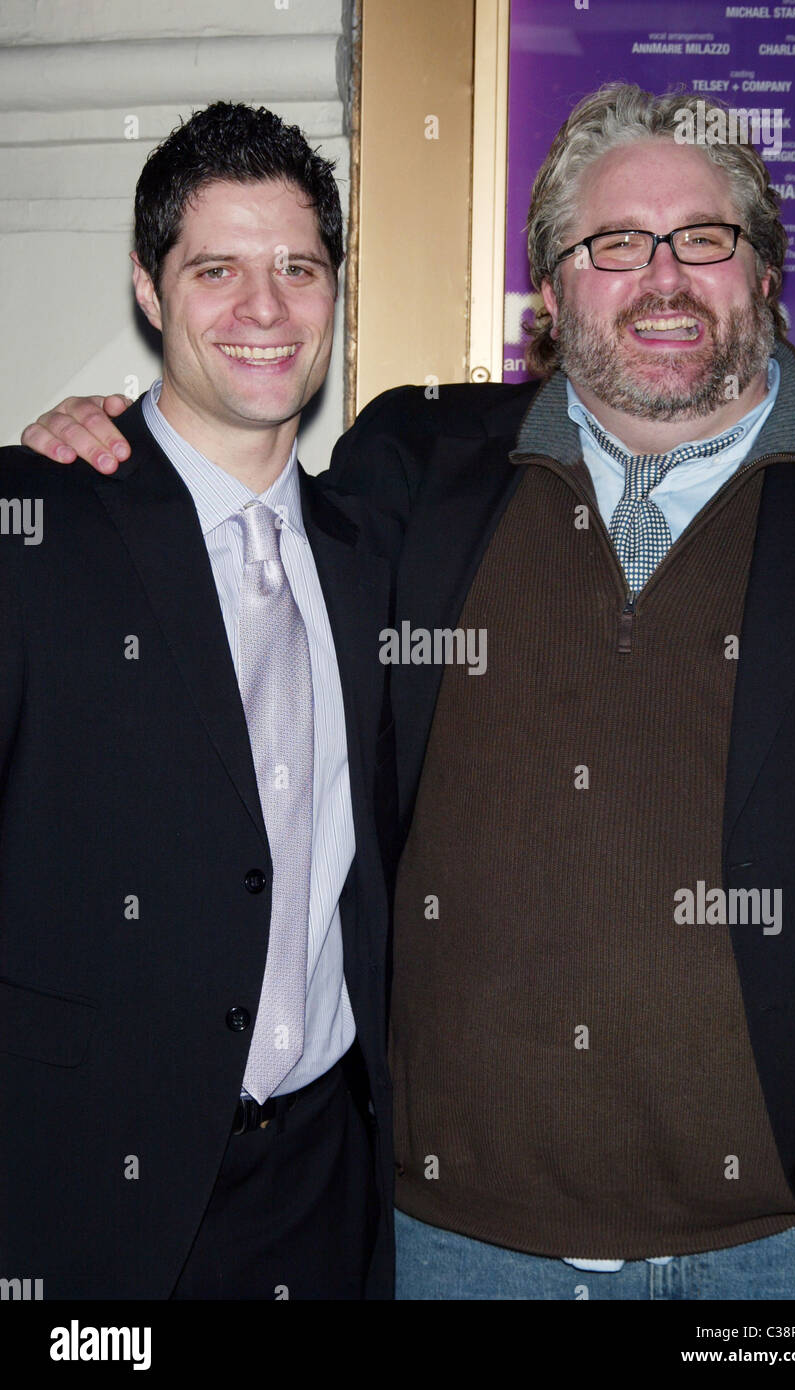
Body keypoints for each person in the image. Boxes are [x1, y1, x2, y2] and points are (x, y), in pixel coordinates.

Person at [21, 83, 795, 1301]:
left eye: (703, 238)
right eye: (613, 245)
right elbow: (216, 479)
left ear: (766, 270)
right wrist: (102, 442)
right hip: (454, 1250)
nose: (661, 278)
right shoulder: (416, 470)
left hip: (787, 1255)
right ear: (551, 288)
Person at [1, 101, 400, 1300]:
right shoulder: (31, 525)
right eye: (216, 268)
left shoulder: (377, 552)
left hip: (321, 1193)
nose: (264, 310)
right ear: (148, 285)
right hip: (77, 1199)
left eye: (298, 268)